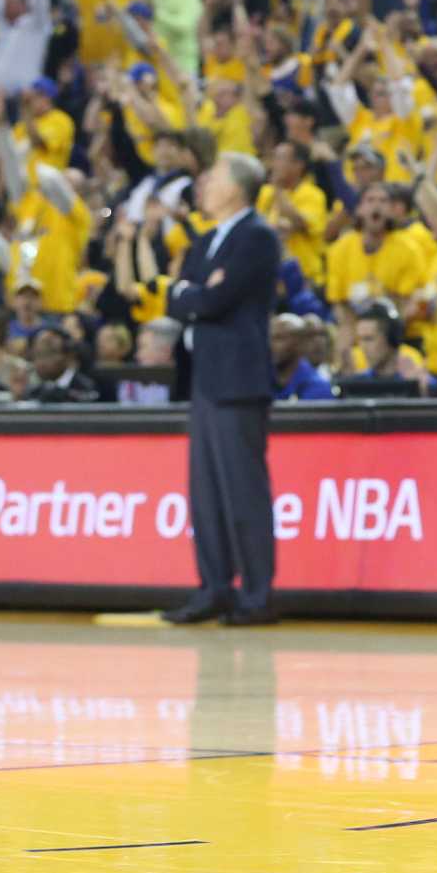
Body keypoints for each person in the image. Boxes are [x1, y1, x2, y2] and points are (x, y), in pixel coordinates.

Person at [161, 154, 281, 627]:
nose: (204, 185)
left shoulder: (257, 236)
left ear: (238, 188)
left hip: (237, 380)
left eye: (214, 178)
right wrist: (194, 294)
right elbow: (178, 297)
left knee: (243, 492)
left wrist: (195, 295)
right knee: (206, 493)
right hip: (205, 379)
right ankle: (213, 588)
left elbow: (212, 300)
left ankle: (256, 595)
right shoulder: (207, 240)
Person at [17, 329, 99, 403]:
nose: (41, 362)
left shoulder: (86, 388)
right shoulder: (32, 390)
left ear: (68, 356)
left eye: (48, 354)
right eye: (38, 354)